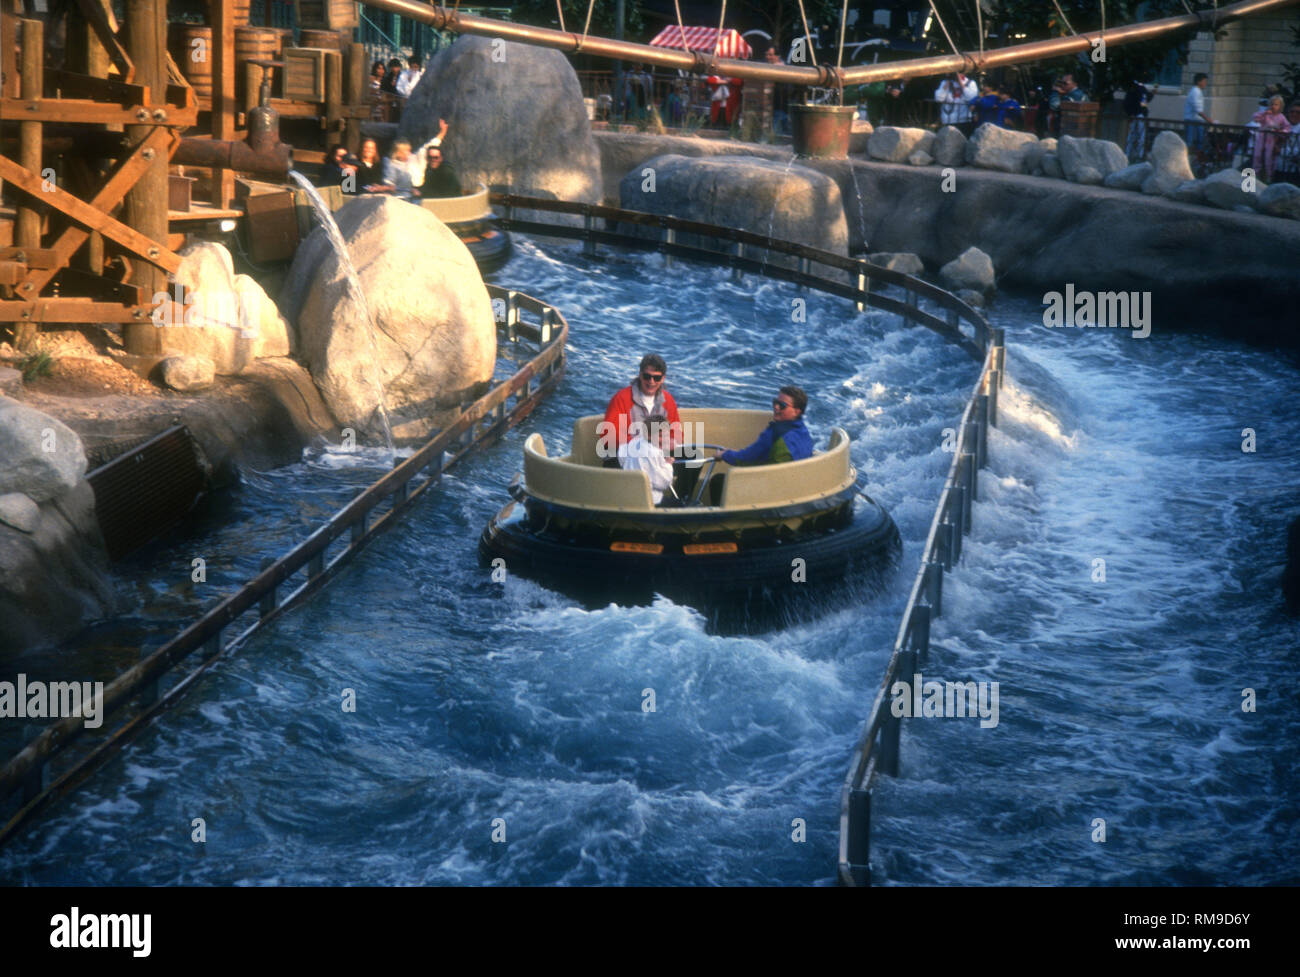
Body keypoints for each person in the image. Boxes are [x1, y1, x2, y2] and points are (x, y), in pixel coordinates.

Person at [599, 355, 683, 504]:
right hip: (626, 456)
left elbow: (676, 433)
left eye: (656, 378)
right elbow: (609, 436)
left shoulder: (668, 400)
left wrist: (664, 447)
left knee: (692, 459)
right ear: (640, 375)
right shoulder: (621, 398)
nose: (651, 382)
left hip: (656, 454)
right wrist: (643, 444)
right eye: (647, 376)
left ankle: (682, 500)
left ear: (663, 379)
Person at [714, 386, 812, 466]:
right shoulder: (804, 432)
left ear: (796, 411)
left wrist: (724, 455)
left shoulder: (774, 433)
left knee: (718, 480)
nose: (776, 407)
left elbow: (745, 459)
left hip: (768, 484)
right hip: (789, 483)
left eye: (782, 405)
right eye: (775, 402)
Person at [1251, 94, 1291, 182]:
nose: (1273, 106)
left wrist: (1280, 131)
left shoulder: (1281, 117)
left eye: (1276, 104)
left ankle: (1269, 177)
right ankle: (1255, 175)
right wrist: (1265, 113)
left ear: (1280, 106)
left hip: (1272, 140)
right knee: (1257, 156)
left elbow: (1287, 127)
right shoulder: (1266, 114)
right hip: (1262, 138)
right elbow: (1255, 118)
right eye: (1272, 104)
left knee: (1269, 158)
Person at [1184, 73, 1214, 154]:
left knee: (1198, 142)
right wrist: (1207, 119)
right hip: (1193, 121)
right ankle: (1192, 158)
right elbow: (1198, 109)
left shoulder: (1197, 92)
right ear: (1198, 82)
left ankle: (1197, 158)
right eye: (1204, 81)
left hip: (1196, 120)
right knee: (1193, 142)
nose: (1205, 83)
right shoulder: (1195, 92)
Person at [1123, 80, 1153, 160]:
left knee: (1133, 135)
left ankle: (1129, 154)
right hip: (1139, 114)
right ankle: (1138, 155)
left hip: (1137, 114)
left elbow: (1142, 101)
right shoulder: (1140, 88)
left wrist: (1130, 113)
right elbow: (1142, 101)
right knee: (1139, 135)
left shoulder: (1137, 87)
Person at [765, 48, 792, 135]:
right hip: (778, 103)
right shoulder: (773, 67)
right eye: (767, 54)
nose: (767, 57)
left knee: (778, 122)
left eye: (770, 55)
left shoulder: (780, 68)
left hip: (778, 101)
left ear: (777, 56)